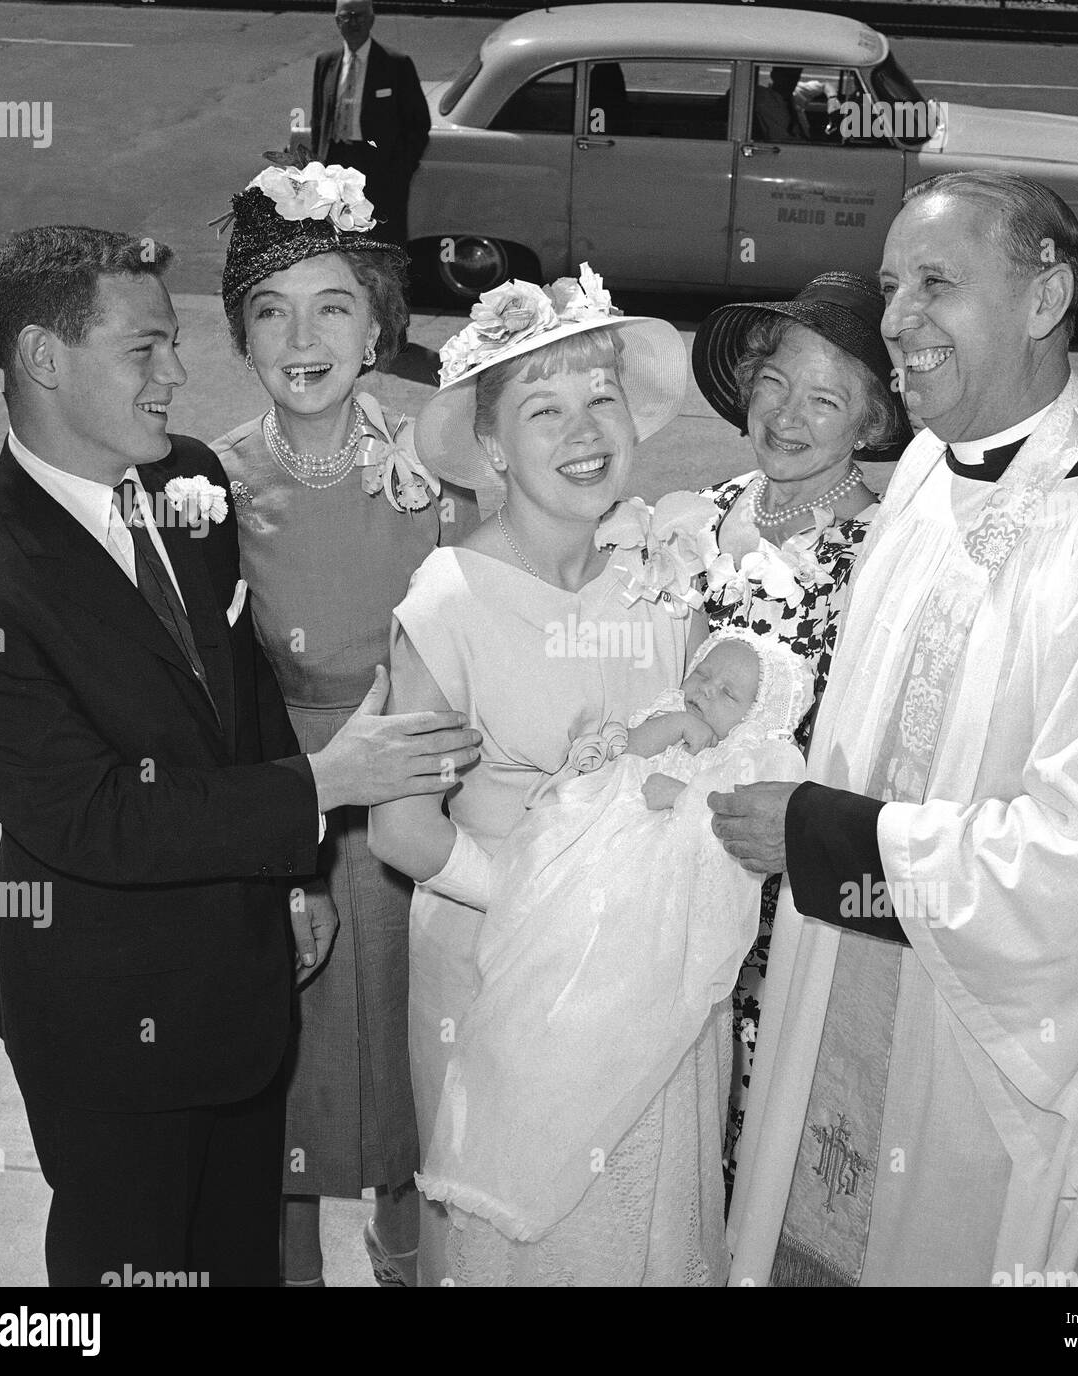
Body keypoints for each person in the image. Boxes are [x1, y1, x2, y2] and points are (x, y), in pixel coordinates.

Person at [710, 171, 1078, 1286]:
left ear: (1045, 298)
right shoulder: (925, 475)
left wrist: (825, 839)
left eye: (936, 283)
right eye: (893, 283)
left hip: (974, 1062)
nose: (898, 317)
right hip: (831, 992)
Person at [0, 225, 481, 1287]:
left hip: (245, 991)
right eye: (143, 348)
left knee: (242, 1259)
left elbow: (240, 692)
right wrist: (325, 784)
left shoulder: (187, 481)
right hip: (111, 1023)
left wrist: (291, 875)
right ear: (44, 360)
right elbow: (98, 818)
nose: (176, 372)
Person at [367, 268, 740, 1285]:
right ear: (491, 445)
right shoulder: (448, 600)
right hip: (497, 961)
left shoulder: (667, 566)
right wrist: (550, 904)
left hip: (649, 966)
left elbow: (705, 754)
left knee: (643, 1224)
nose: (584, 432)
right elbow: (402, 828)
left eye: (600, 398)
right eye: (543, 410)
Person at [210, 163, 479, 1287]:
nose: (303, 337)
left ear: (377, 328)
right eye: (271, 312)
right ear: (242, 337)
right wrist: (284, 862)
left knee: (423, 1070)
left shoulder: (438, 472)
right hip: (293, 811)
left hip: (426, 814)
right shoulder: (208, 489)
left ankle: (409, 1252)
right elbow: (217, 702)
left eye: (332, 307)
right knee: (290, 1089)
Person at [416, 630, 813, 1247]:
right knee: (534, 1017)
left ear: (759, 715)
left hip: (653, 925)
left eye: (728, 693)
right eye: (702, 675)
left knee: (620, 1044)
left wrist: (683, 799)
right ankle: (510, 1148)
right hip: (579, 903)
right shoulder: (670, 718)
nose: (705, 691)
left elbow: (741, 840)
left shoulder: (759, 761)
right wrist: (670, 728)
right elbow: (616, 759)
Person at [691, 271, 906, 1194]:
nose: (786, 416)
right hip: (680, 875)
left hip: (791, 896)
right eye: (774, 383)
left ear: (871, 423)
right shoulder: (701, 512)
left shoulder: (881, 558)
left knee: (764, 1145)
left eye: (825, 399)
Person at [312, 0, 430, 249]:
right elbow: (318, 119)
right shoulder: (326, 62)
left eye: (360, 16)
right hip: (335, 164)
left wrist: (401, 170)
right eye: (346, 16)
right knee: (338, 243)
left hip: (378, 166)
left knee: (382, 243)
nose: (353, 22)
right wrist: (318, 165)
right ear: (337, 22)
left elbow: (419, 124)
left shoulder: (396, 64)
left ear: (372, 19)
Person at [752, 66, 805, 142]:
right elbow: (780, 137)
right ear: (774, 75)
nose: (791, 81)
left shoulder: (795, 103)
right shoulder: (763, 98)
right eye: (787, 76)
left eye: (795, 76)